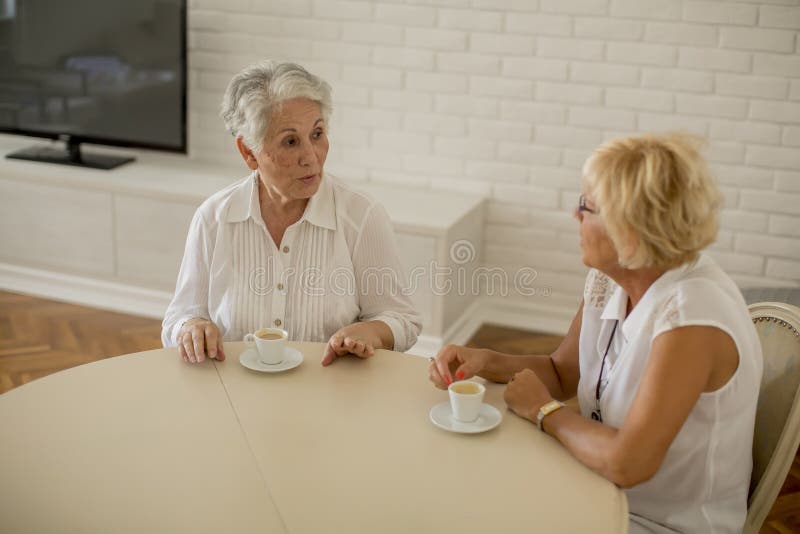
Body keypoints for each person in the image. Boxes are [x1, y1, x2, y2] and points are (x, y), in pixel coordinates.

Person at [429, 133, 762, 533]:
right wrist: (485, 359)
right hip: (596, 487)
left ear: (630, 229)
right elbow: (562, 371)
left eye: (586, 207)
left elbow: (627, 462)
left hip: (656, 522)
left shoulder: (691, 319)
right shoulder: (615, 279)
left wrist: (544, 411)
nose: (575, 216)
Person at [162, 61, 420, 366]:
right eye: (290, 141)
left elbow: (402, 319)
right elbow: (179, 318)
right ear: (248, 152)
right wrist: (190, 327)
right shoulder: (214, 217)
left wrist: (371, 332)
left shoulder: (361, 216)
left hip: (331, 393)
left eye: (317, 134)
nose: (311, 157)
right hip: (235, 393)